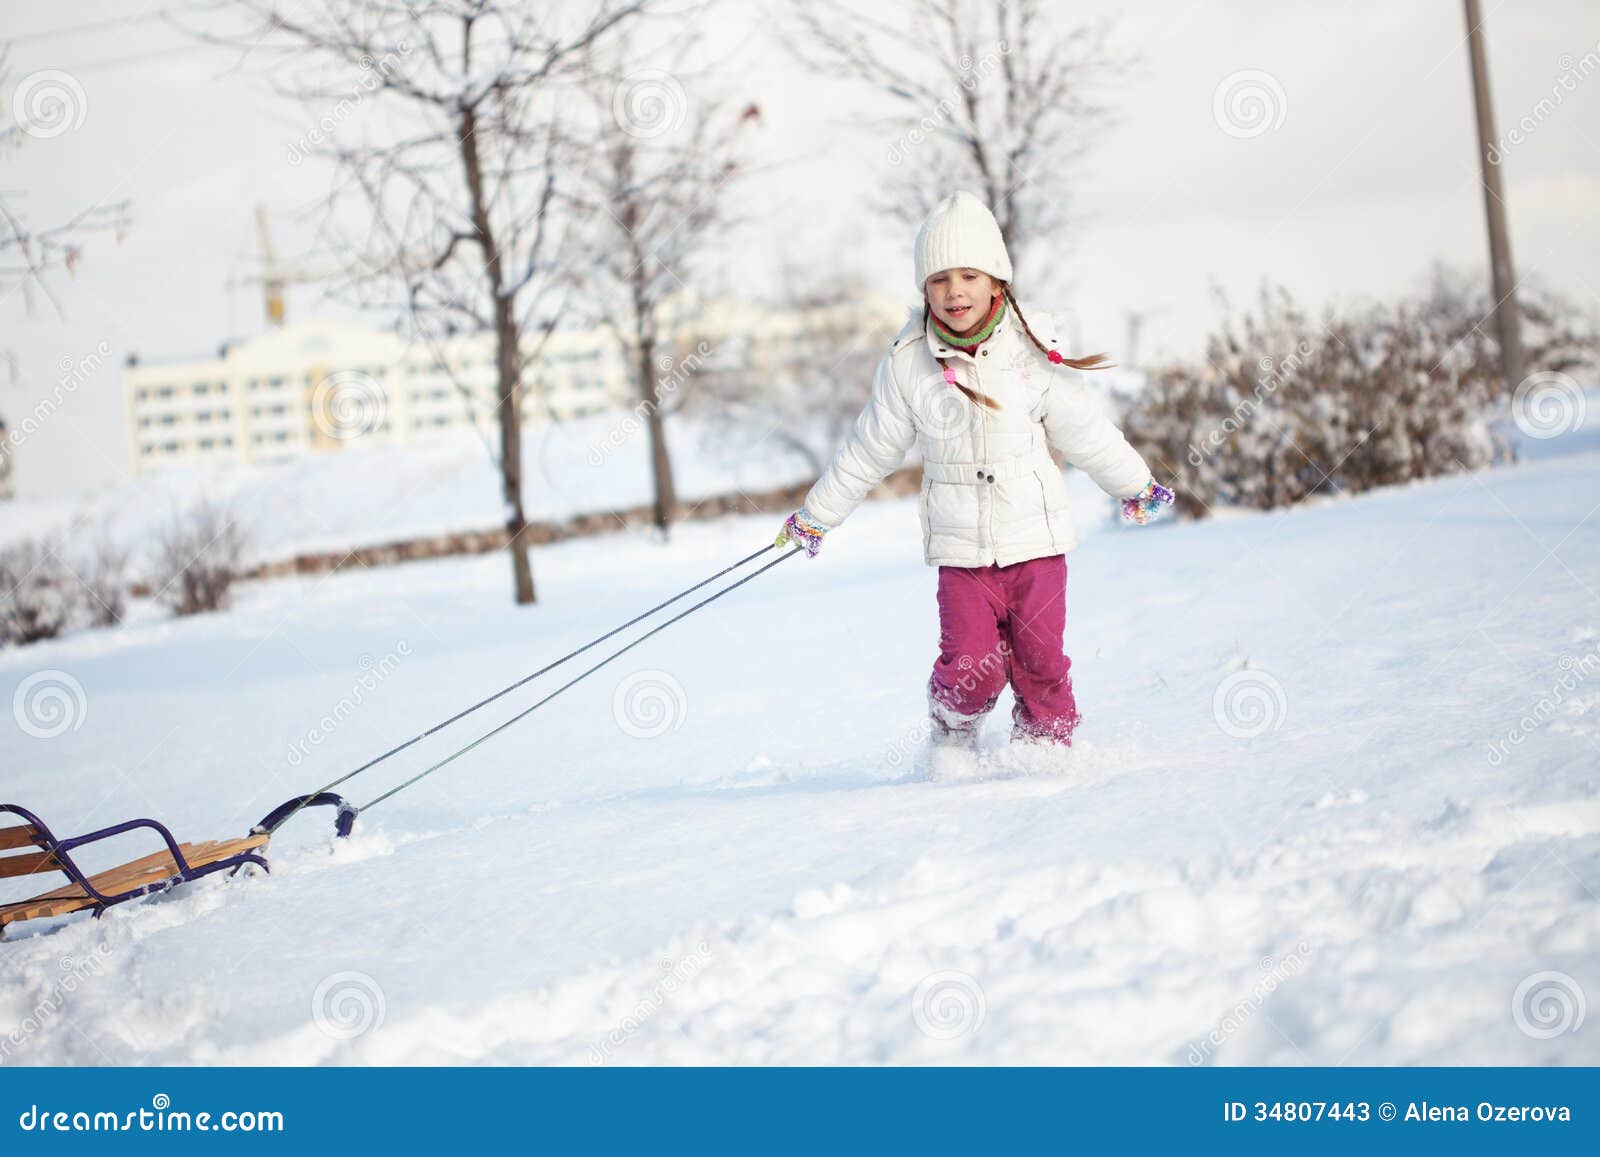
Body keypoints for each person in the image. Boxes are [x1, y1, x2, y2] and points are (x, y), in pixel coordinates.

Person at [775, 190, 1174, 774]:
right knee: (971, 666)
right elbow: (869, 449)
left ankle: (1046, 755)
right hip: (963, 553)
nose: (954, 291)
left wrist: (1135, 484)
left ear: (996, 281)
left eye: (968, 275)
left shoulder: (1034, 352)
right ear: (924, 289)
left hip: (1037, 543)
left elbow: (1085, 431)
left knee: (1042, 661)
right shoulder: (909, 362)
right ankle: (952, 732)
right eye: (938, 279)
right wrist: (816, 516)